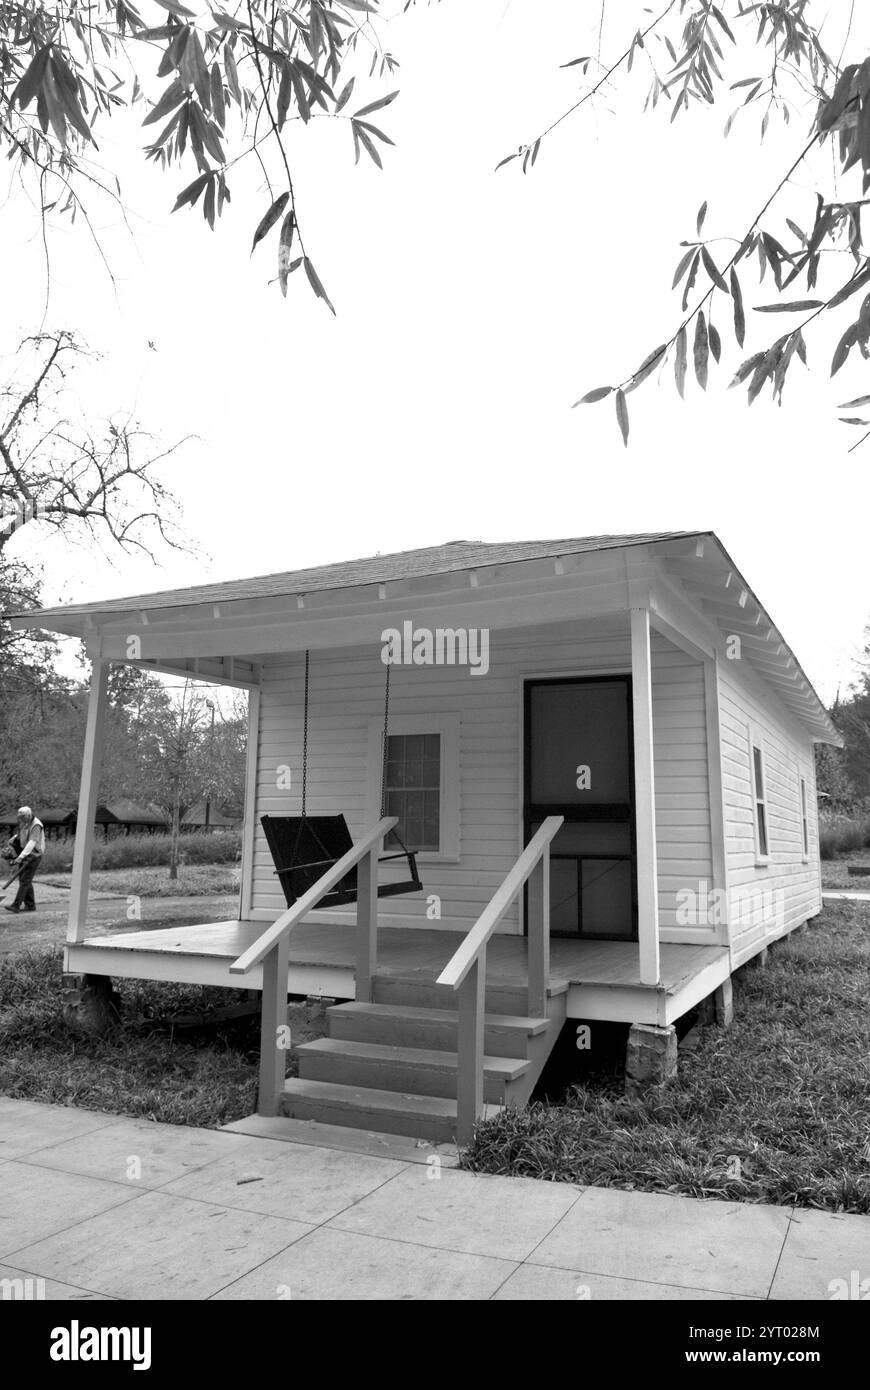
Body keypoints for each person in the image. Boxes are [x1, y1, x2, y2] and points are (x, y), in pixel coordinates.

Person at [3, 806, 45, 913]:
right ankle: (30, 905)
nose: (20, 819)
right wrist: (13, 839)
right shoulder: (25, 822)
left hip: (34, 855)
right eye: (19, 817)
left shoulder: (36, 825)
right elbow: (22, 834)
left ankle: (16, 905)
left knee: (25, 881)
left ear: (28, 816)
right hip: (26, 854)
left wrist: (21, 857)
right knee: (25, 880)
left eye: (22, 817)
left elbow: (32, 842)